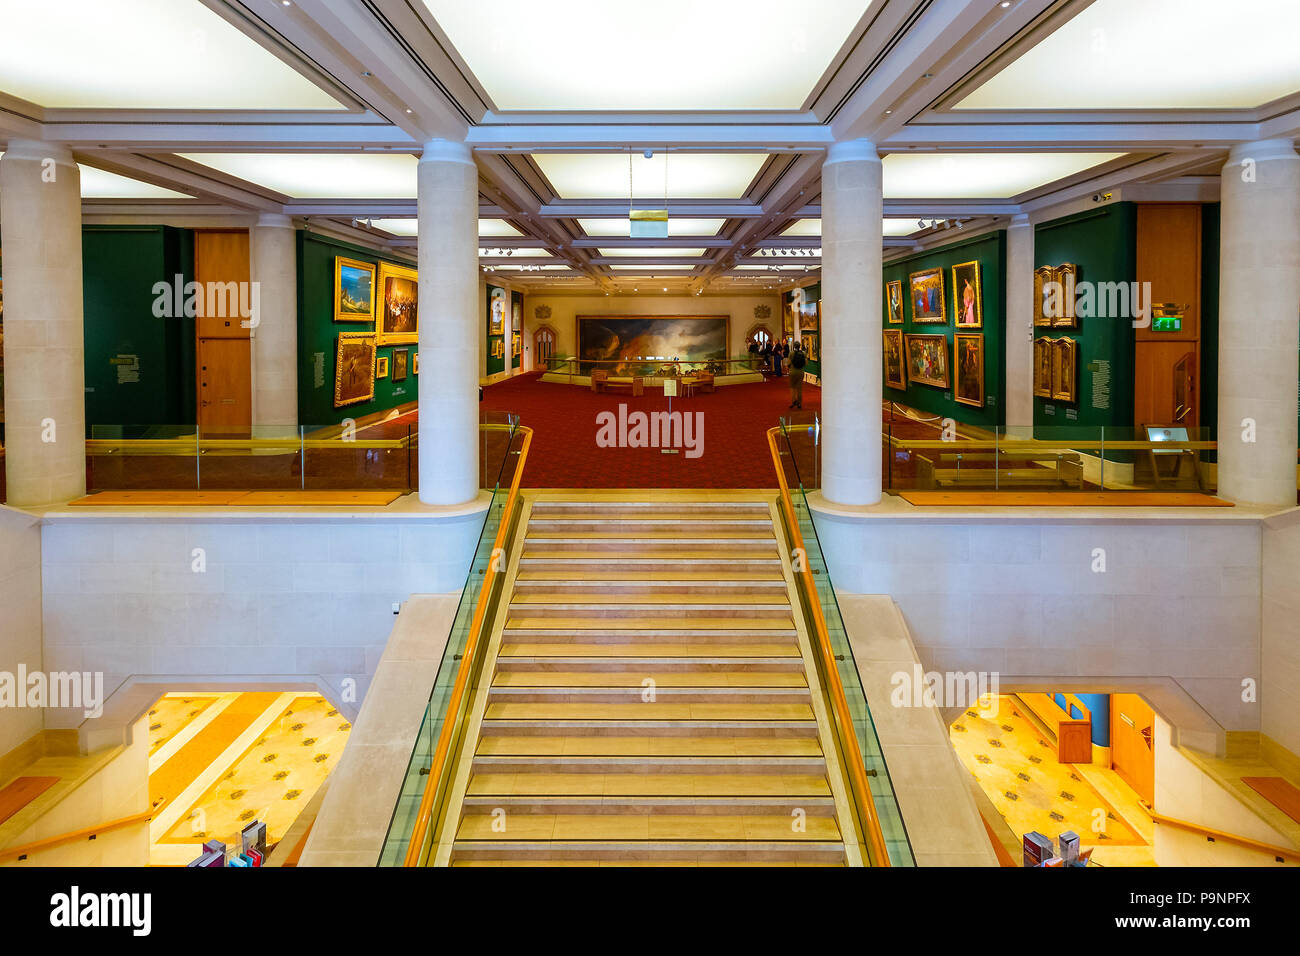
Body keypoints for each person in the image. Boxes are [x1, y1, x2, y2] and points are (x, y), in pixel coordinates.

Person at [788, 342, 807, 409]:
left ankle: (793, 401)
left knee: (793, 387)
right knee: (799, 388)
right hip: (800, 372)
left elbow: (789, 363)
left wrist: (789, 367)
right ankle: (799, 403)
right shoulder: (803, 353)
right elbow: (806, 363)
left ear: (794, 346)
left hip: (793, 372)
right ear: (799, 346)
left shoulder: (791, 353)